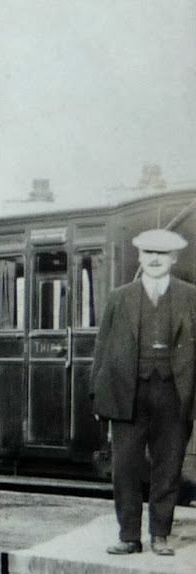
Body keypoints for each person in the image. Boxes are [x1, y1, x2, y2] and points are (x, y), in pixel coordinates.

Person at [91, 227, 196, 556]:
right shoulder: (119, 297)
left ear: (173, 258)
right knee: (125, 467)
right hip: (127, 393)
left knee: (169, 465)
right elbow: (102, 347)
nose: (154, 259)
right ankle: (129, 536)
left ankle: (160, 534)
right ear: (139, 257)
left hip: (174, 393)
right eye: (148, 253)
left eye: (161, 254)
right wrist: (98, 395)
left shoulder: (191, 296)